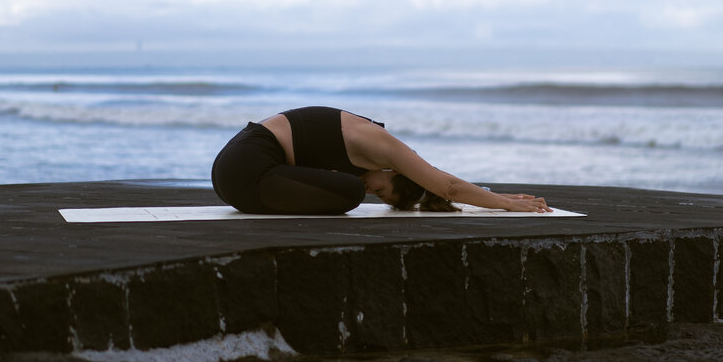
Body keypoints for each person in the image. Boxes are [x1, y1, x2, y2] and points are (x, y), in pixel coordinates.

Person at [211, 105, 551, 216]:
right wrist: (505, 203)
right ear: (392, 171)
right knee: (347, 193)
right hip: (245, 172)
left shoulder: (380, 152)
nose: (374, 192)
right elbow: (444, 184)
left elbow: (431, 176)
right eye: (383, 192)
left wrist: (488, 195)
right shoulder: (381, 146)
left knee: (341, 187)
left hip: (232, 177)